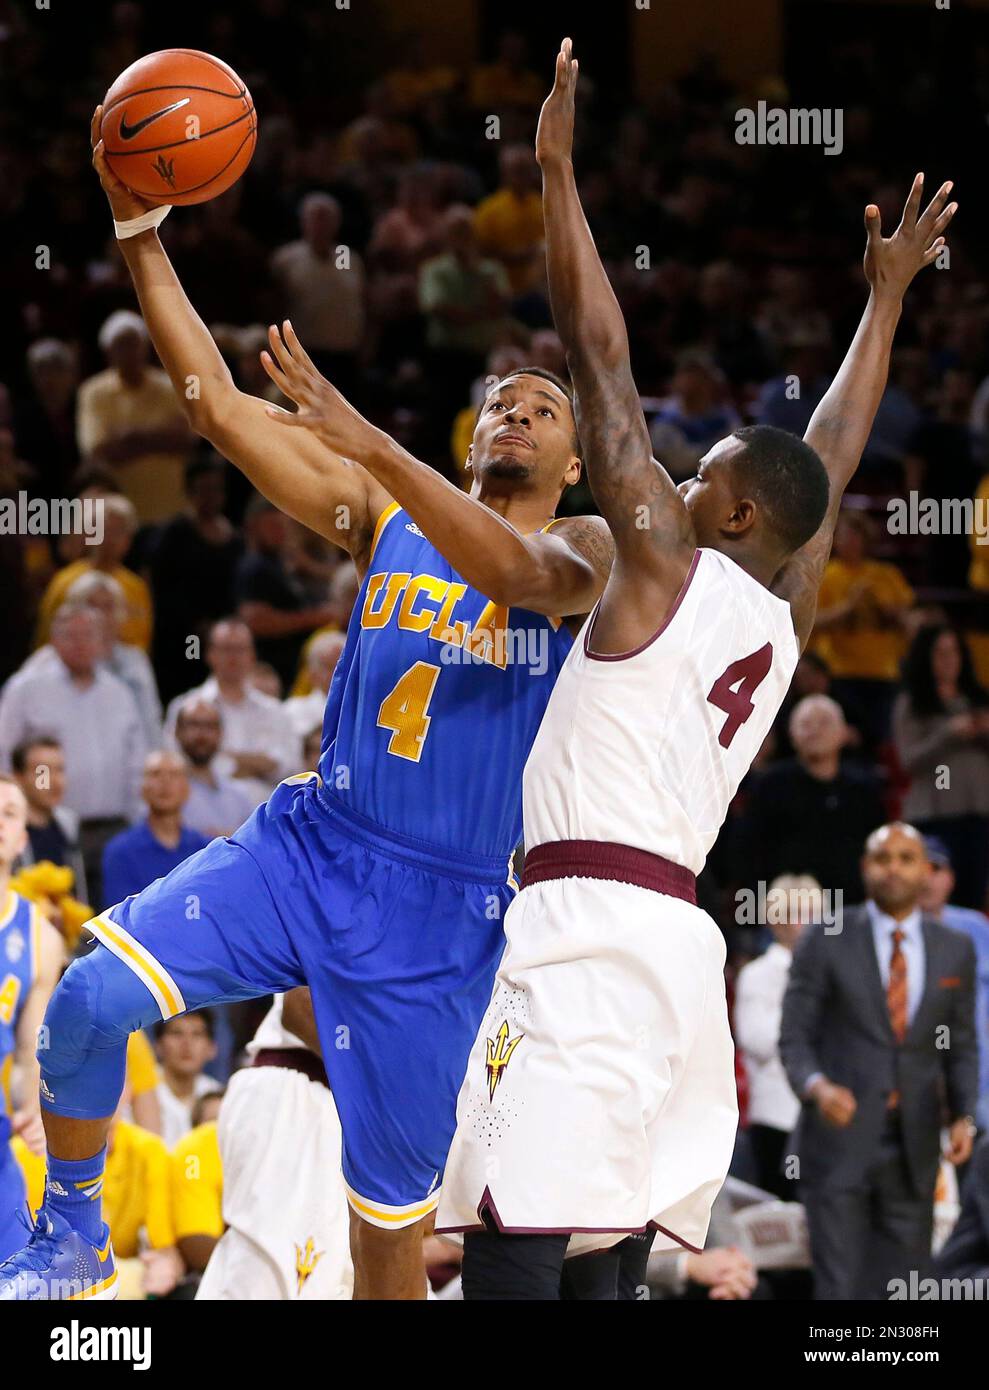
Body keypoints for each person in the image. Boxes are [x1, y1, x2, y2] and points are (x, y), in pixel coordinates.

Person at [267, 41, 957, 1299]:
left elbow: (598, 355)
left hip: (578, 933)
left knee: (513, 1253)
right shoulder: (780, 606)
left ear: (731, 516)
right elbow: (831, 458)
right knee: (609, 1265)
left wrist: (555, 175)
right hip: (677, 957)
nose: (678, 485)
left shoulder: (658, 566)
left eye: (702, 484)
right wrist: (887, 303)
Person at [0, 106, 613, 1303]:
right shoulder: (386, 515)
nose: (517, 411)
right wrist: (138, 231)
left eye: (543, 406)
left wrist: (376, 444)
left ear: (576, 459)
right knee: (87, 994)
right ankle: (69, 1231)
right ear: (468, 430)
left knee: (384, 1238)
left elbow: (513, 573)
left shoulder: (583, 545)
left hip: (445, 914)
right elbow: (217, 410)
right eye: (500, 399)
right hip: (312, 842)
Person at [780, 823, 978, 1299]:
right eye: (882, 857)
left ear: (927, 870)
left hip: (915, 1145)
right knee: (840, 1289)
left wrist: (965, 1116)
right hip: (836, 1142)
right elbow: (794, 1037)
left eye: (906, 858)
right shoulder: (826, 937)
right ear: (865, 867)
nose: (894, 868)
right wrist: (817, 1086)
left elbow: (961, 1045)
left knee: (905, 1288)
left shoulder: (955, 948)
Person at [194, 991, 352, 1301]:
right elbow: (299, 1004)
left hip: (332, 1098)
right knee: (272, 1267)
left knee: (332, 1271)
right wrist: (374, 1074)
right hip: (295, 1091)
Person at [0, 606, 147, 908]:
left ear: (103, 641)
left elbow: (137, 762)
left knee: (113, 918)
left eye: (88, 635)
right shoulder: (26, 688)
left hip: (115, 828)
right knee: (56, 919)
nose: (80, 643)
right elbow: (5, 753)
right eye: (71, 636)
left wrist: (137, 817)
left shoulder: (119, 692)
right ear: (53, 641)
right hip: (52, 829)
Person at [0, 778, 64, 1262]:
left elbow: (28, 1054)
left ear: (23, 835)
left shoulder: (40, 937)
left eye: (9, 813)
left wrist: (33, 1110)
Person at [739, 694, 885, 899]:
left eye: (825, 722)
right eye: (805, 724)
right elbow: (748, 850)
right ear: (791, 734)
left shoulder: (864, 788)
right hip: (787, 912)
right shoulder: (770, 785)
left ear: (845, 733)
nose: (815, 730)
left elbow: (875, 851)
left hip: (850, 909)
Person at [734, 875, 820, 1200]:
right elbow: (756, 1040)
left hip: (821, 1117)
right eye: (800, 913)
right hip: (776, 1116)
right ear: (778, 919)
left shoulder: (828, 974)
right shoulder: (758, 974)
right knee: (779, 1222)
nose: (809, 924)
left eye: (815, 913)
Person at [893, 623, 989, 910]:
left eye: (954, 651)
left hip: (979, 813)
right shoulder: (911, 703)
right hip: (934, 815)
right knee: (933, 897)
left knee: (973, 896)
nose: (949, 659)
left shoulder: (978, 699)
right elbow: (909, 759)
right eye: (940, 653)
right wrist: (948, 734)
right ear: (926, 658)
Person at [163, 619, 299, 809]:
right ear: (210, 654)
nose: (233, 657)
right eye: (226, 649)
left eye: (240, 649)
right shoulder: (185, 706)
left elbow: (290, 768)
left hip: (263, 817)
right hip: (201, 818)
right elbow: (175, 762)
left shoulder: (275, 711)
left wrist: (222, 761)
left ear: (252, 655)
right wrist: (257, 763)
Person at [76, 309, 194, 523]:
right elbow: (97, 450)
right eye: (122, 345)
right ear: (108, 351)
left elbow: (187, 440)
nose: (129, 352)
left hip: (172, 511)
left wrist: (130, 436)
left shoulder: (170, 386)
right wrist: (159, 438)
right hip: (121, 518)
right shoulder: (93, 392)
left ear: (146, 346)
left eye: (134, 343)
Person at [920, 836, 989, 1131]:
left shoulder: (975, 927)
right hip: (918, 1088)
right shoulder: (885, 937)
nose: (927, 879)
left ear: (950, 878)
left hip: (981, 1081)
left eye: (935, 869)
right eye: (919, 868)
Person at [100, 752, 209, 911]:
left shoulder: (205, 851)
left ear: (187, 789)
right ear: (142, 789)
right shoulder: (120, 852)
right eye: (155, 774)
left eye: (174, 775)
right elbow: (119, 919)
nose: (165, 782)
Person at [10, 737, 88, 905]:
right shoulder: (7, 831)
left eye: (60, 770)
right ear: (18, 777)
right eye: (42, 772)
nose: (54, 781)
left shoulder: (70, 825)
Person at [173, 699, 256, 841]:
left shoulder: (238, 794)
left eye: (210, 726)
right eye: (194, 724)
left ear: (221, 733)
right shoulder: (165, 791)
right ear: (177, 731)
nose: (202, 734)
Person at [153, 1011, 221, 1150]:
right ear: (158, 1046)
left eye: (197, 1034)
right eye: (176, 1033)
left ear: (212, 1048)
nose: (186, 1043)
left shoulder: (218, 1097)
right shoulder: (139, 1091)